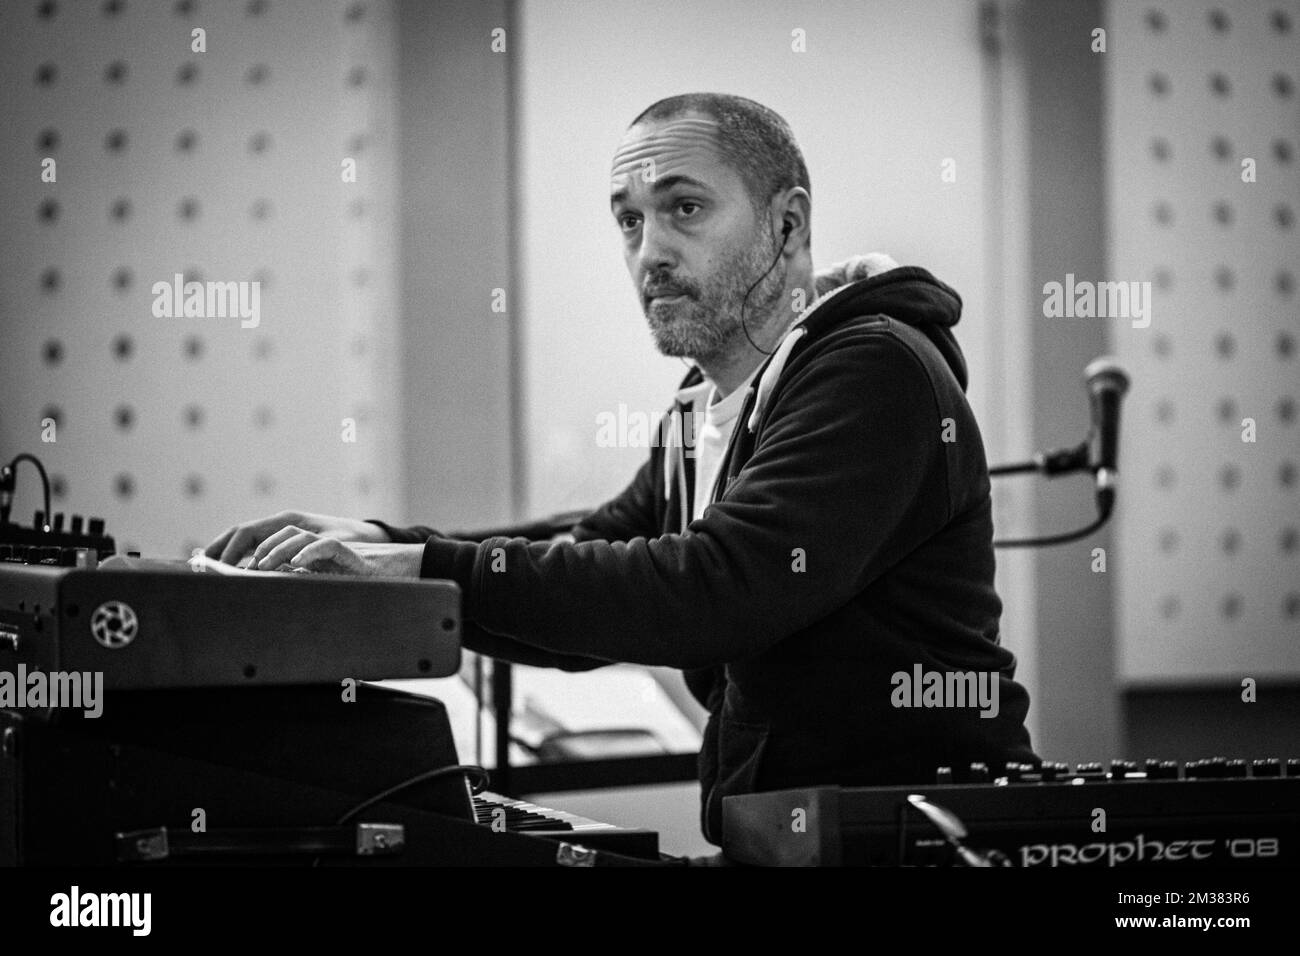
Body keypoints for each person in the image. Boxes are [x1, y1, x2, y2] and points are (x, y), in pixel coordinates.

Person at [206, 93, 1039, 846]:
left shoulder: (873, 373)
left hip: (918, 838)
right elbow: (602, 548)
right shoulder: (703, 404)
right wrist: (392, 548)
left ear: (788, 225)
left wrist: (418, 568)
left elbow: (713, 588)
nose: (650, 253)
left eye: (684, 209)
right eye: (630, 222)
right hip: (784, 837)